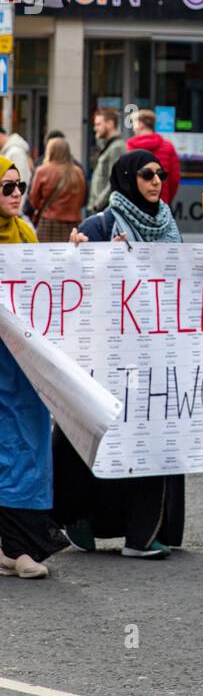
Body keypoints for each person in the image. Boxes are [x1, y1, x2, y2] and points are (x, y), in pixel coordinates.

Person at [54, 151, 185, 559]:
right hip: (107, 358)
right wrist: (79, 255)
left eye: (160, 174)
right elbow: (73, 289)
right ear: (127, 178)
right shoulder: (99, 227)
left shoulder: (168, 227)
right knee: (95, 436)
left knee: (150, 435)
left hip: (155, 357)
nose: (155, 181)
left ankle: (141, 534)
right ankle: (81, 520)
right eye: (146, 174)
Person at [0, 158, 69, 579]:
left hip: (22, 361)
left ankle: (16, 545)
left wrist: (77, 253)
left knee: (28, 445)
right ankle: (12, 546)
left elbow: (47, 281)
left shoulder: (25, 232)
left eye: (20, 186)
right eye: (5, 187)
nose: (15, 194)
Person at [27, 136, 86, 242]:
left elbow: (33, 200)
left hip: (48, 224)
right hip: (73, 224)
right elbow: (82, 200)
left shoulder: (43, 170)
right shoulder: (78, 172)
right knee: (71, 256)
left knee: (46, 256)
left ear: (50, 151)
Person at [126, 109, 180, 204]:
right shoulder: (168, 147)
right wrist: (166, 199)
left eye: (134, 123)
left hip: (134, 203)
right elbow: (174, 178)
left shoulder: (129, 147)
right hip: (161, 202)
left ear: (140, 124)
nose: (133, 128)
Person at [87, 108, 126, 215]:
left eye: (98, 124)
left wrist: (98, 205)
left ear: (110, 124)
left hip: (104, 210)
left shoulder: (116, 148)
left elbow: (114, 181)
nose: (95, 128)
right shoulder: (110, 147)